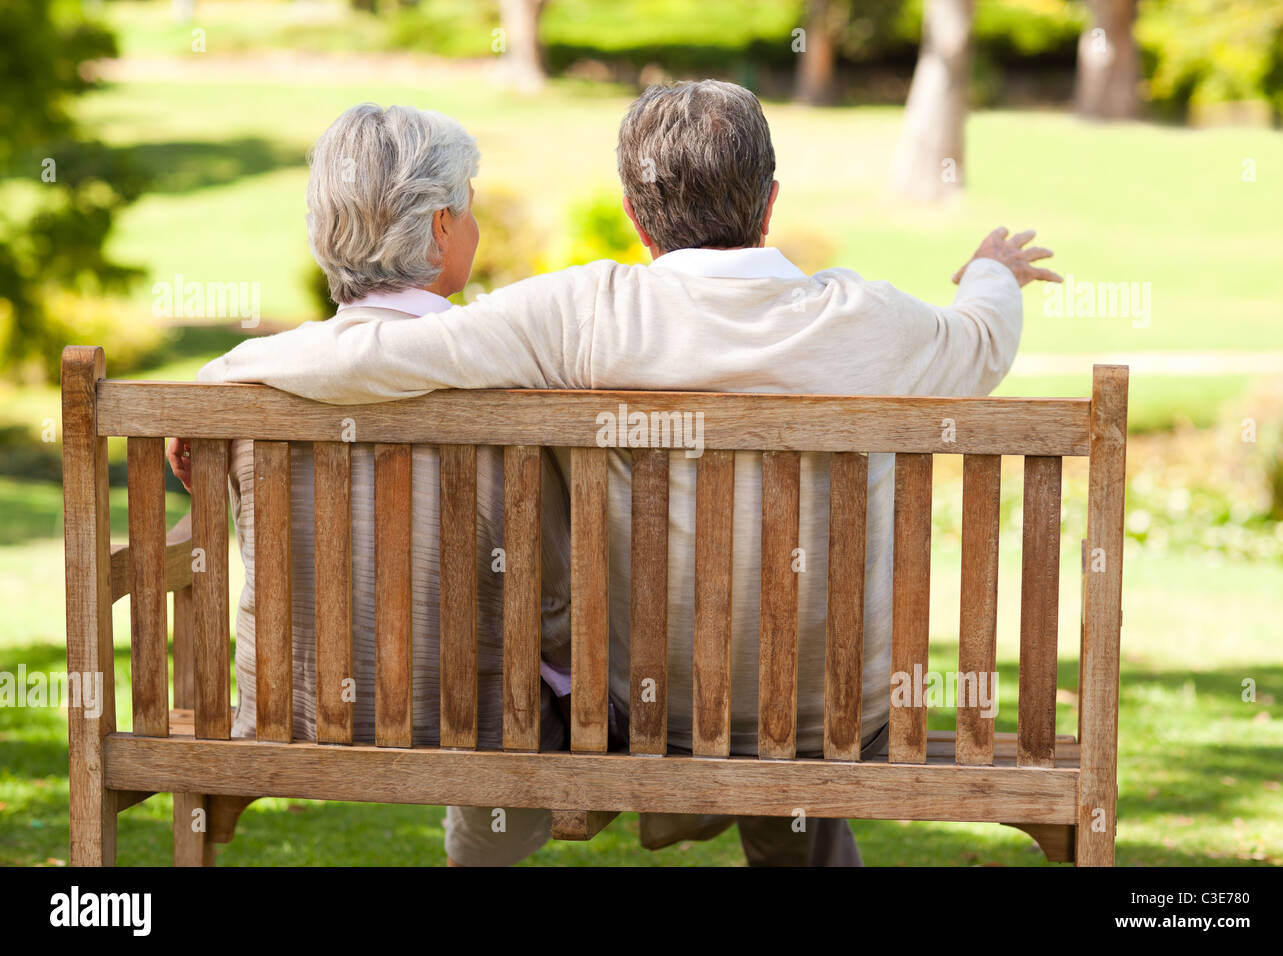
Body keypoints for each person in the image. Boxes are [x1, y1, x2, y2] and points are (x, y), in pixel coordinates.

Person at [195, 80, 1062, 866]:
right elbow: (982, 340)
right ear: (768, 202)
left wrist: (227, 376)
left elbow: (393, 347)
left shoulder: (583, 312)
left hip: (647, 713)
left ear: (636, 215)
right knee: (786, 674)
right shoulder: (871, 323)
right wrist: (992, 270)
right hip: (841, 720)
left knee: (703, 662)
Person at [168, 103, 575, 867]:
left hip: (283, 715)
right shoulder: (505, 371)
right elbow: (555, 589)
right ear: (443, 227)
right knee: (525, 670)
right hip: (485, 721)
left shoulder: (255, 378)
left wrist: (208, 388)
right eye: (473, 208)